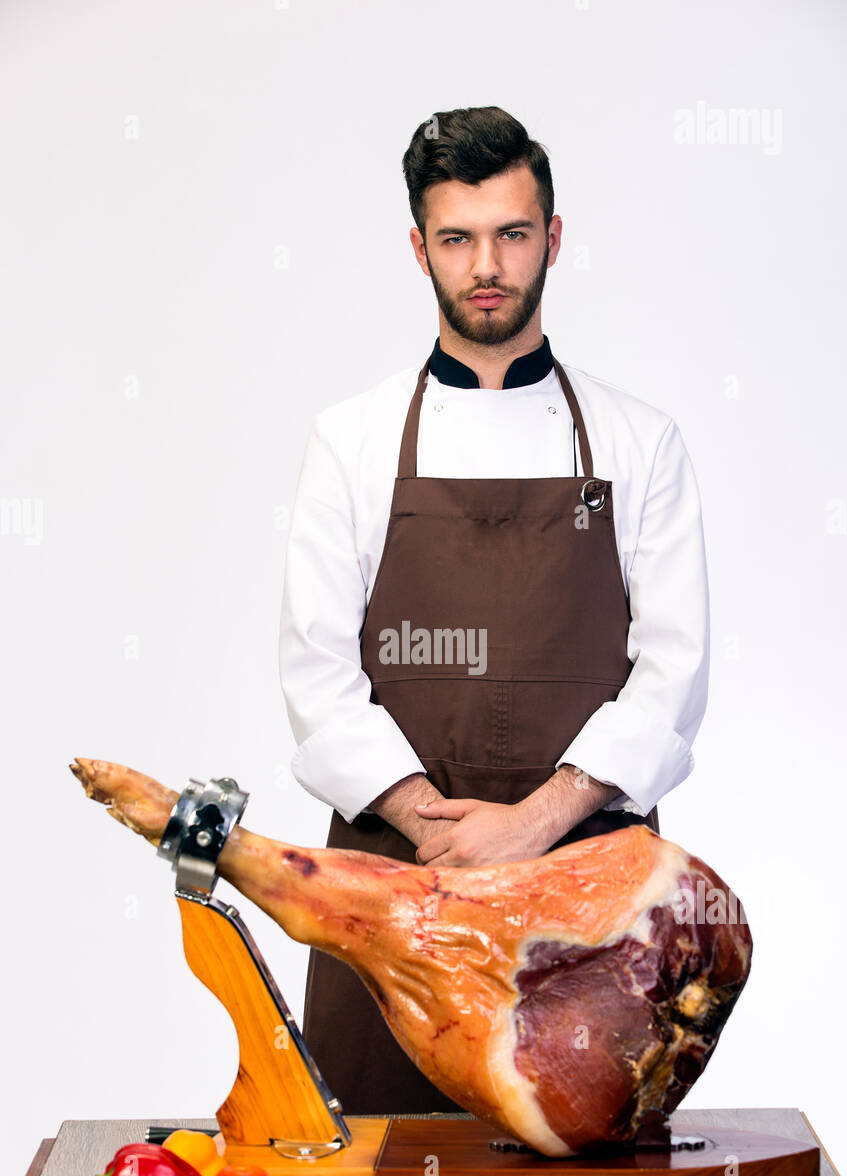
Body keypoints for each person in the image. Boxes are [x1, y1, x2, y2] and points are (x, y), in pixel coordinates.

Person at [278, 106, 709, 1114]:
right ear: (418, 246)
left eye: (512, 234)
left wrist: (531, 824)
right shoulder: (350, 440)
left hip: (586, 884)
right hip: (395, 892)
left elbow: (673, 673)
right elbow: (315, 670)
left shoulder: (636, 442)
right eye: (457, 237)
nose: (486, 264)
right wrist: (438, 834)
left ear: (551, 240)